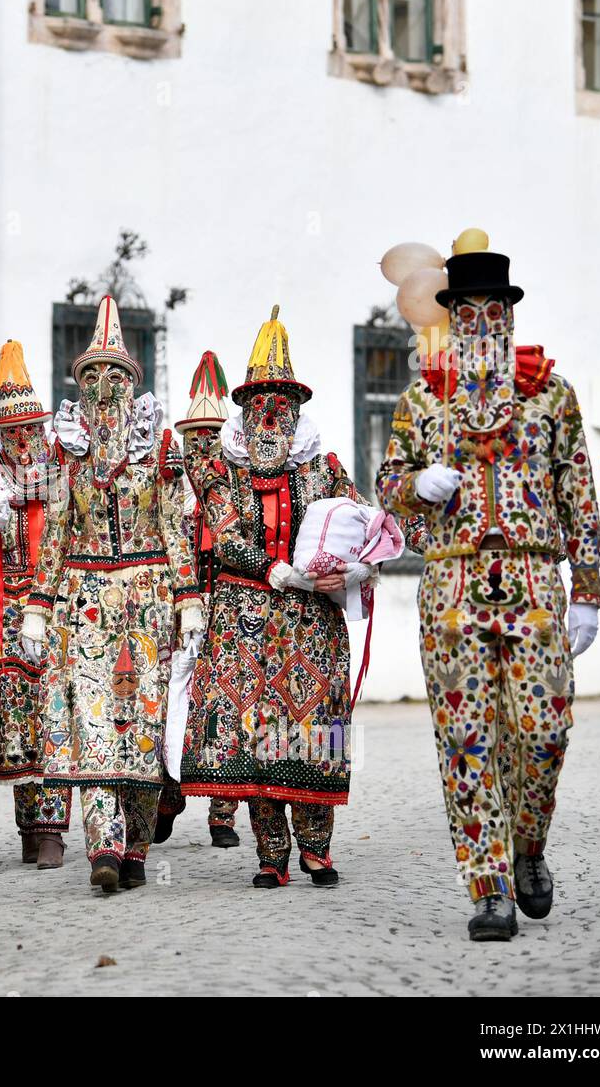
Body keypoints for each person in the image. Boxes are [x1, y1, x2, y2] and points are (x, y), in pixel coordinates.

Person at [376, 246, 600, 942]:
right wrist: (420, 485)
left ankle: (529, 844)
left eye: (493, 311)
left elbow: (578, 493)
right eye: (466, 312)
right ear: (451, 318)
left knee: (544, 731)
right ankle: (490, 884)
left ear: (508, 316)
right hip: (452, 580)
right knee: (466, 737)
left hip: (534, 578)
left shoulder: (549, 394)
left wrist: (587, 588)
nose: (480, 322)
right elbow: (388, 486)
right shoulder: (423, 397)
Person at [179, 308, 377, 889]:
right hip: (243, 623)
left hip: (313, 623)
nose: (269, 421)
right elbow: (225, 536)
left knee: (313, 729)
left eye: (281, 410)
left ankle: (316, 849)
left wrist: (358, 568)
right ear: (244, 414)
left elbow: (365, 526)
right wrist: (277, 570)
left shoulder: (326, 471)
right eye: (259, 410)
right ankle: (271, 854)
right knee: (251, 733)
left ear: (295, 415)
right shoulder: (223, 473)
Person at [20, 296, 205, 894]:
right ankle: (103, 846)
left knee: (141, 725)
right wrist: (38, 605)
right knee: (93, 720)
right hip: (84, 599)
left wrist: (188, 596)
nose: (103, 386)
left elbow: (176, 523)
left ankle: (139, 849)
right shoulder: (65, 454)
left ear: (132, 382)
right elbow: (53, 531)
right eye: (91, 375)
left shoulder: (160, 447)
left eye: (115, 375)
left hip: (149, 597)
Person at [0, 341, 71, 869]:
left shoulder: (63, 476)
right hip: (3, 608)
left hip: (54, 605)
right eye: (12, 433)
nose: (22, 442)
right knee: (12, 713)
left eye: (30, 430)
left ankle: (53, 828)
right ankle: (27, 823)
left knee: (53, 706)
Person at [155, 352, 242, 850]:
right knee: (173, 698)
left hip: (227, 600)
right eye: (195, 436)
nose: (202, 446)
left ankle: (222, 810)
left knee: (223, 701)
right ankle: (169, 792)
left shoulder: (234, 484)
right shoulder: (171, 483)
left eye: (212, 435)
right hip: (175, 604)